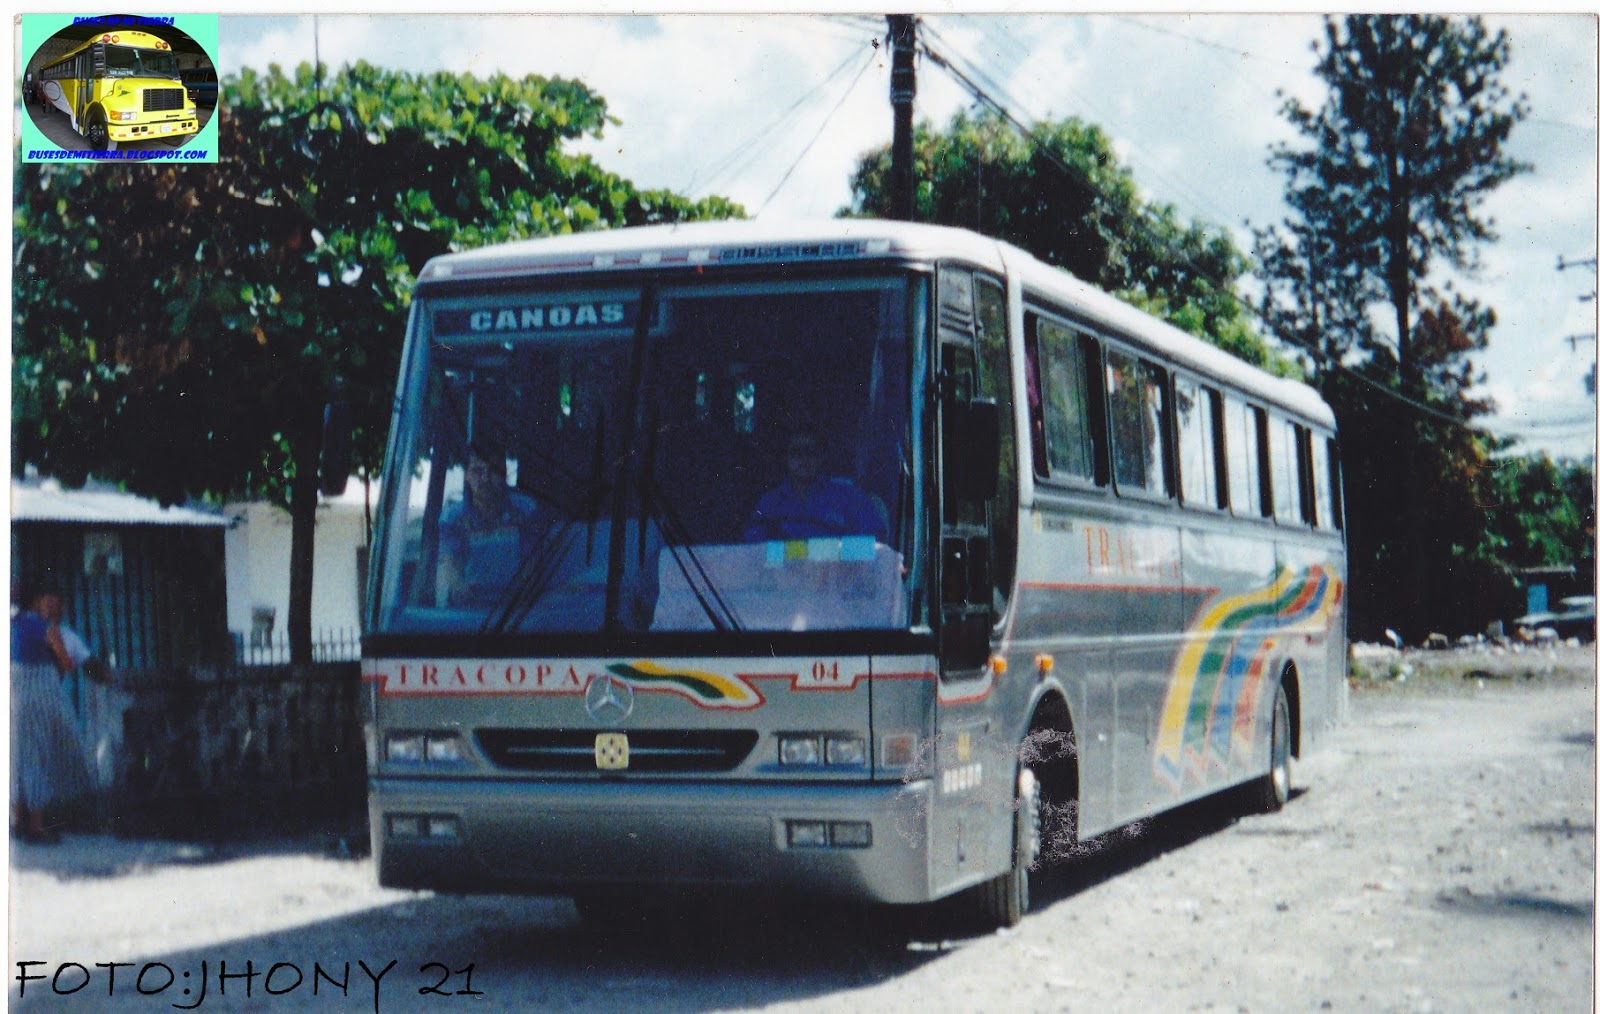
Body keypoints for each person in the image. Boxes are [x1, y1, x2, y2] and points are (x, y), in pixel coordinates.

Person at [10, 580, 95, 843]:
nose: (55, 609)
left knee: (16, 758)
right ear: (36, 602)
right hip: (39, 698)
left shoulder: (13, 624)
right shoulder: (46, 627)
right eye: (50, 603)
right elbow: (67, 663)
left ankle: (16, 821)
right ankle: (36, 826)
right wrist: (64, 661)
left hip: (14, 696)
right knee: (39, 756)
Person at [437, 448, 550, 606]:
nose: (485, 478)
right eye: (477, 471)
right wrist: (459, 585)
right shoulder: (453, 518)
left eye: (493, 471)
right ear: (466, 476)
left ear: (504, 473)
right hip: (470, 610)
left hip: (519, 609)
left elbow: (533, 561)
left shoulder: (526, 510)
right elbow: (450, 562)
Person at [743, 429, 888, 543]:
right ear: (786, 458)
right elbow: (754, 549)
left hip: (837, 577)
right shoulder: (770, 503)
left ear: (821, 457)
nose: (804, 458)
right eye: (797, 452)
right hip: (784, 578)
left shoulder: (848, 497)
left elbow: (874, 541)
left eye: (811, 452)